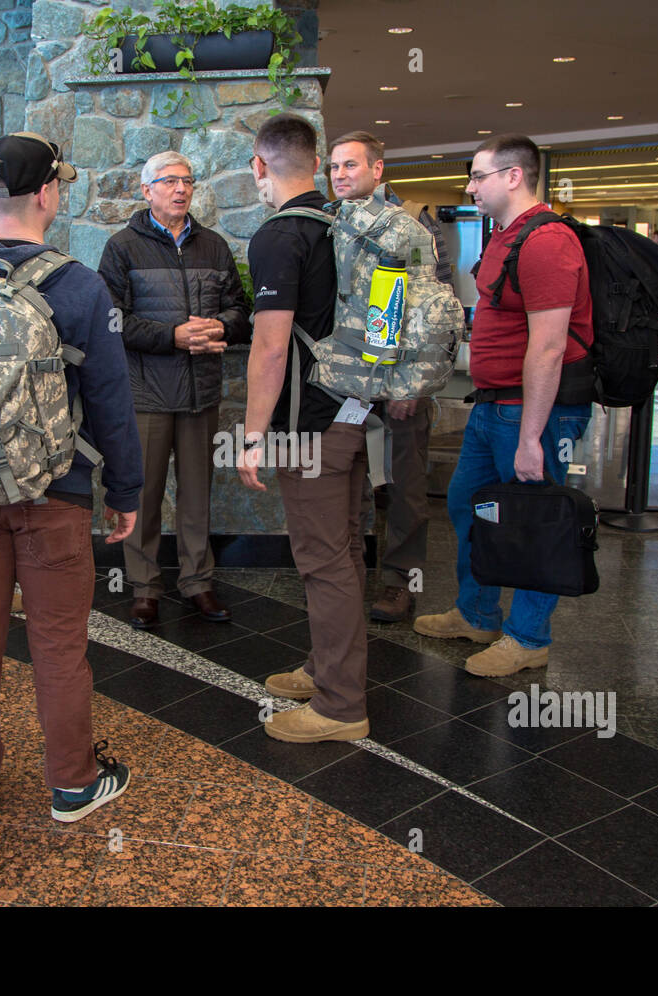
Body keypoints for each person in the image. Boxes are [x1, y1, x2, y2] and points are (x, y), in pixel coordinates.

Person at [0, 132, 143, 821]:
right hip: (54, 491)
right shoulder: (79, 285)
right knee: (58, 641)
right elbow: (110, 403)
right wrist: (123, 492)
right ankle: (72, 783)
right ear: (46, 194)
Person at [413, 134, 592, 676]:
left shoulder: (547, 242)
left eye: (478, 176)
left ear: (514, 176)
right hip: (493, 406)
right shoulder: (506, 237)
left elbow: (550, 345)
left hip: (531, 412)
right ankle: (478, 613)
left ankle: (529, 637)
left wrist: (533, 437)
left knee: (534, 521)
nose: (470, 187)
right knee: (470, 505)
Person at [238, 113, 370, 744]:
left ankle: (341, 706)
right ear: (317, 165)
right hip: (353, 410)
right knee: (342, 550)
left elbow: (269, 345)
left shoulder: (278, 236)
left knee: (322, 561)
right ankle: (325, 666)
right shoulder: (348, 226)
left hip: (306, 424)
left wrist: (253, 434)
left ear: (260, 166)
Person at [97, 151, 251, 630]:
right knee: (142, 495)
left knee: (197, 494)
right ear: (147, 191)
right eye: (168, 181)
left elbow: (241, 311)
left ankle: (198, 582)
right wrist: (173, 337)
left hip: (201, 392)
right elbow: (112, 320)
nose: (180, 189)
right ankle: (144, 588)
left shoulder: (214, 246)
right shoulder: (122, 247)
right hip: (145, 394)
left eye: (187, 181)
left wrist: (219, 326)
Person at [328, 131, 451, 624]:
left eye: (351, 166)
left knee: (403, 486)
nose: (340, 175)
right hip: (347, 381)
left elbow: (418, 309)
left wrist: (407, 387)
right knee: (349, 479)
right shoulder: (332, 222)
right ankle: (350, 571)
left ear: (378, 170)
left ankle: (399, 581)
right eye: (334, 166)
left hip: (397, 380)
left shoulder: (406, 227)